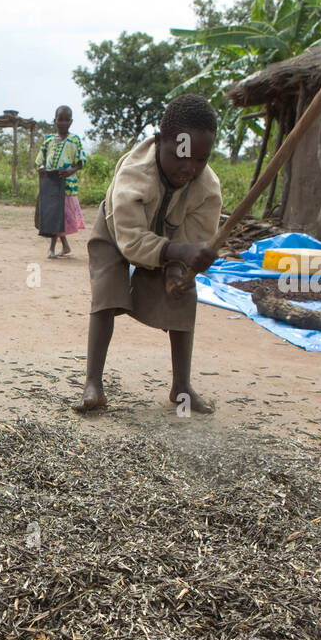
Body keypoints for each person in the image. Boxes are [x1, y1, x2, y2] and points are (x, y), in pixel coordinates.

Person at [74, 95, 222, 415]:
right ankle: (93, 384)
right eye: (180, 155)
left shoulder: (207, 188)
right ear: (159, 142)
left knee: (184, 296)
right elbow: (131, 244)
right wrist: (179, 250)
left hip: (170, 238)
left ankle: (181, 386)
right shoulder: (134, 174)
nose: (189, 167)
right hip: (118, 233)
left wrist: (175, 271)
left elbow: (192, 238)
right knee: (106, 296)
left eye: (201, 159)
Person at [36, 106, 87, 258]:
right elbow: (41, 160)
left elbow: (81, 161)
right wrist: (42, 168)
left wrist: (71, 170)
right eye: (60, 119)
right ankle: (64, 246)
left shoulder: (74, 140)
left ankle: (52, 249)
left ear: (71, 122)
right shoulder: (48, 140)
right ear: (55, 121)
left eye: (66, 120)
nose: (63, 123)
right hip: (51, 184)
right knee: (55, 215)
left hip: (66, 185)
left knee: (59, 215)